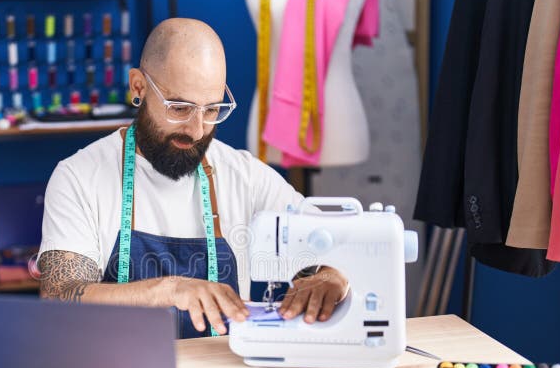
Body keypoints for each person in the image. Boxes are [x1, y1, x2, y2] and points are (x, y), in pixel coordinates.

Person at [37, 18, 349, 338]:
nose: (198, 130)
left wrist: (332, 275)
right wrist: (167, 290)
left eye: (212, 110)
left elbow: (339, 246)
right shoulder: (79, 177)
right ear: (138, 87)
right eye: (180, 107)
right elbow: (60, 296)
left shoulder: (245, 176)